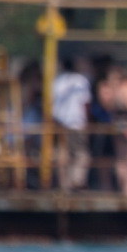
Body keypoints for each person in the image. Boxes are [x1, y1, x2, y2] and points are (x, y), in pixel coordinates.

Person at [51, 57, 92, 190]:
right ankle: (77, 180)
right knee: (80, 153)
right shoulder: (80, 80)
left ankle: (64, 183)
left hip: (59, 123)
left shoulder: (56, 81)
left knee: (62, 153)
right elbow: (85, 102)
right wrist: (87, 121)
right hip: (76, 122)